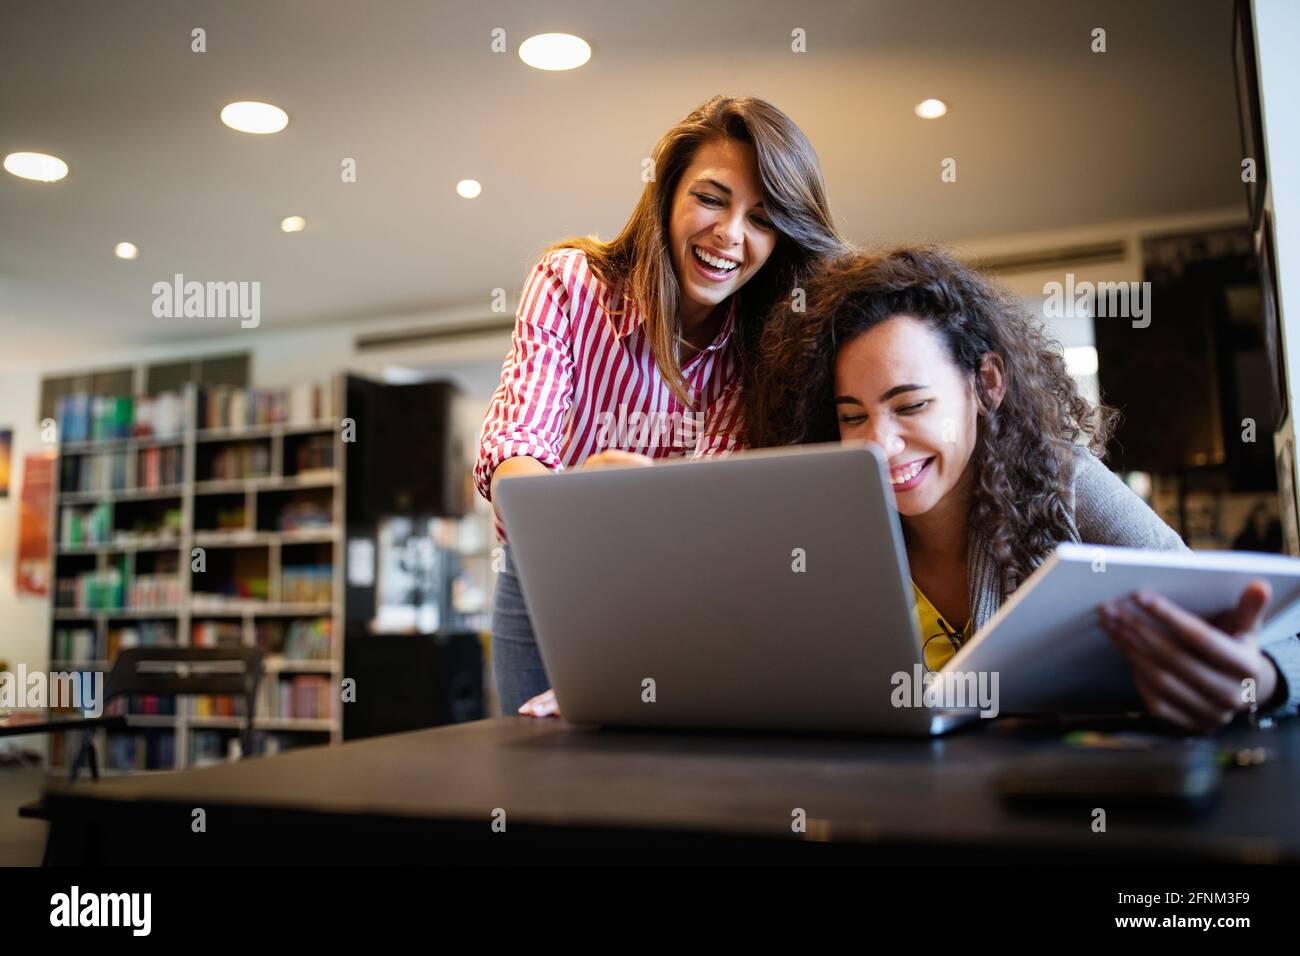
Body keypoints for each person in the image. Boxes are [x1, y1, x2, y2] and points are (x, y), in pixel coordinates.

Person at [744, 245, 1300, 731]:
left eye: (910, 405)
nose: (879, 445)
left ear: (986, 385)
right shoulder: (834, 527)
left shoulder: (1067, 482)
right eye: (853, 416)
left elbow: (1273, 639)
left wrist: (1266, 678)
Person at [475, 95, 847, 716]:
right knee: (536, 772)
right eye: (711, 198)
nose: (730, 235)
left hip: (675, 593)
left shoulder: (766, 348)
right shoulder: (570, 283)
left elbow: (717, 514)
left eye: (762, 218)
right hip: (547, 577)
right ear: (666, 193)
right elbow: (515, 449)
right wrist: (572, 503)